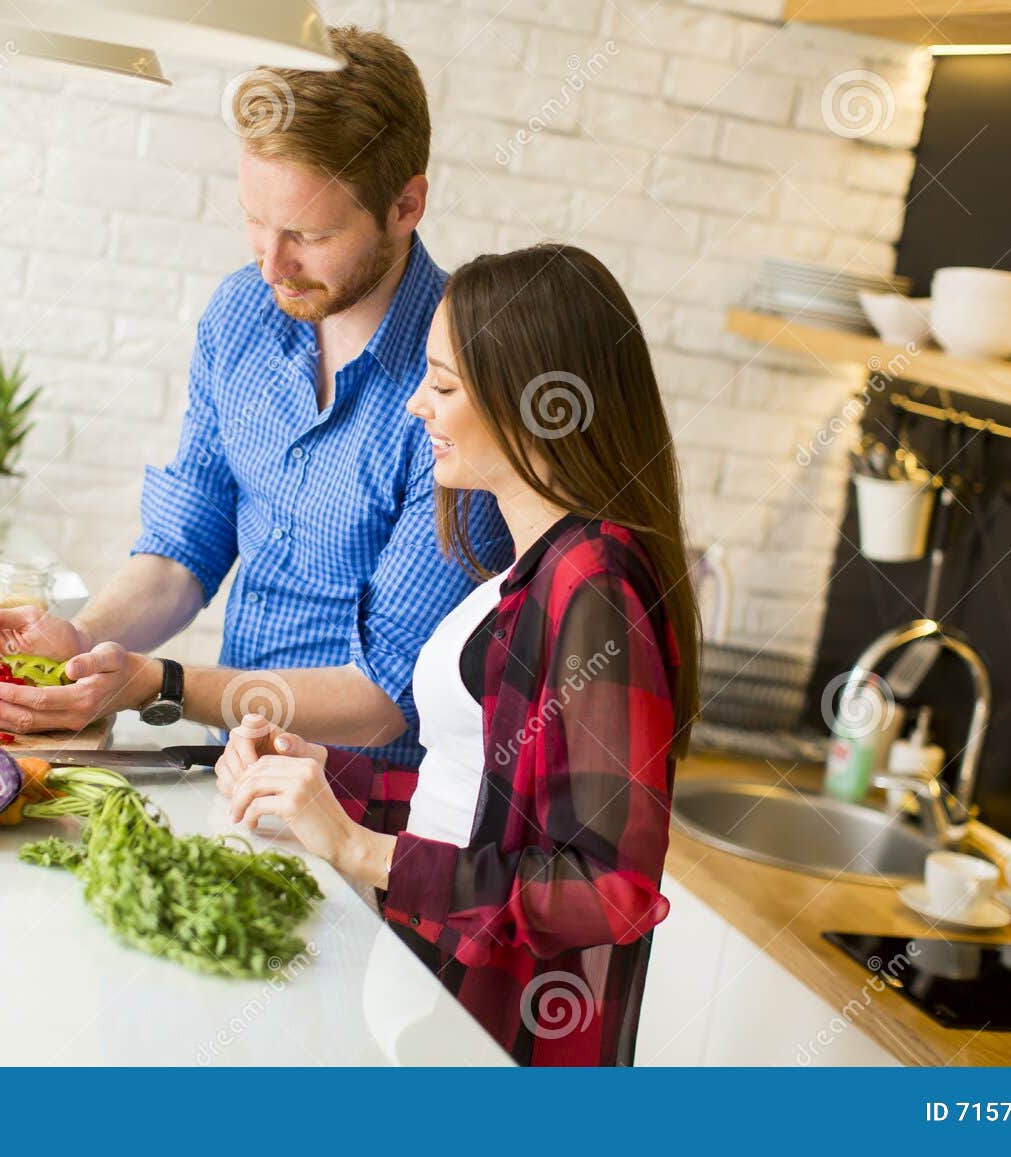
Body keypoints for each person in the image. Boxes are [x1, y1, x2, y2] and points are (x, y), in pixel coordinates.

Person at [0, 27, 504, 767]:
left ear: (406, 206)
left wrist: (158, 684)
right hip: (232, 768)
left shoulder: (464, 386)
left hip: (377, 819)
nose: (272, 263)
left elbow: (383, 700)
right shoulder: (241, 316)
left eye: (307, 232)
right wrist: (85, 641)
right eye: (255, 220)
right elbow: (187, 545)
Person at [214, 243, 702, 1067]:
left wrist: (357, 848)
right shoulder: (531, 570)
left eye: (442, 385)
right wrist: (318, 774)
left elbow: (609, 888)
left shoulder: (594, 586)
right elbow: (472, 798)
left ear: (537, 403)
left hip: (496, 1037)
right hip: (423, 993)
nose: (417, 406)